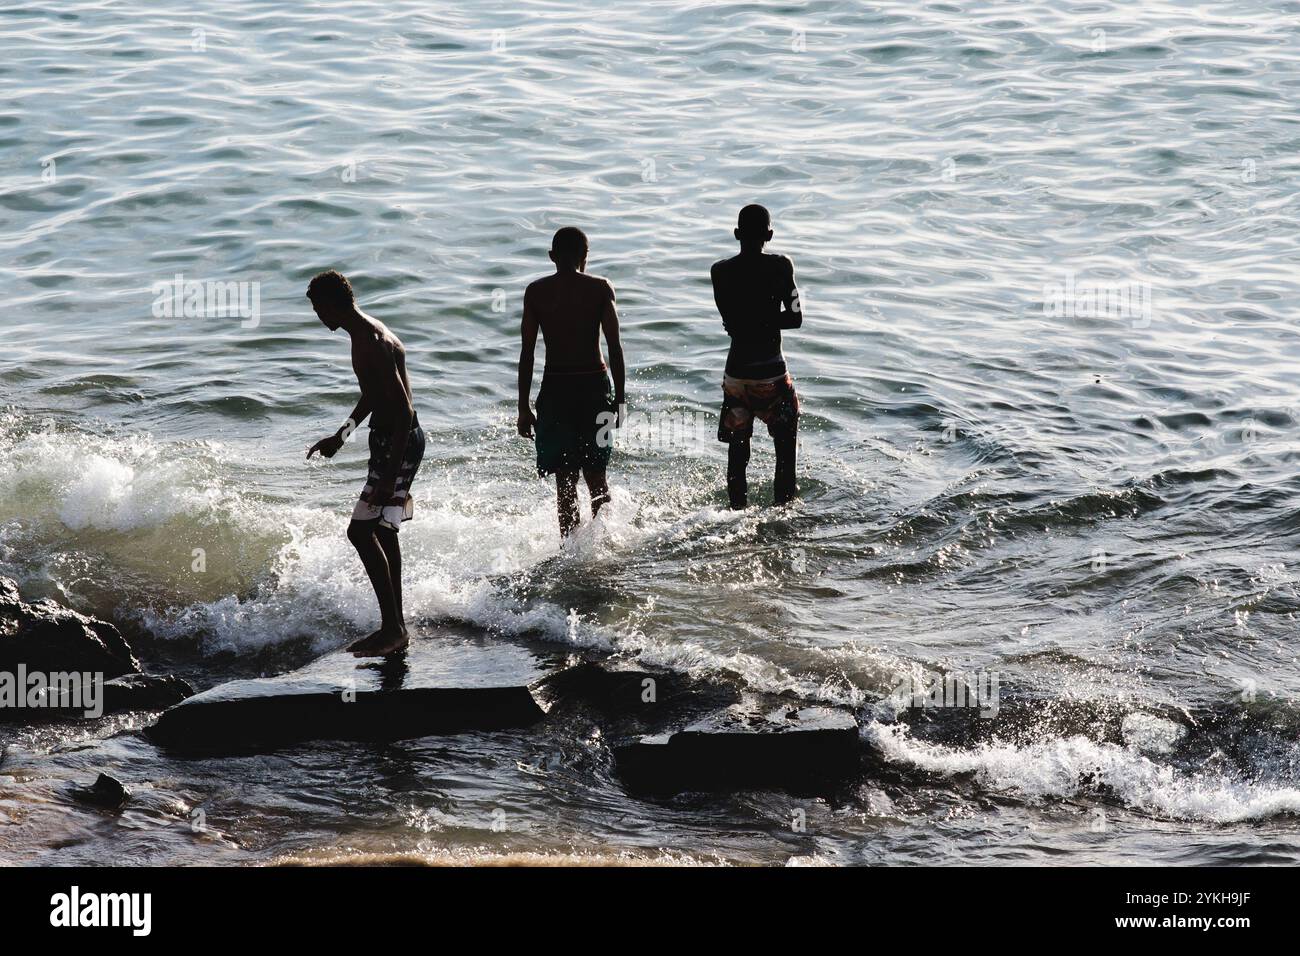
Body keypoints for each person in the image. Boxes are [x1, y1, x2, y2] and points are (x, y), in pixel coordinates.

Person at [305, 270, 425, 656]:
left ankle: (393, 628)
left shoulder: (371, 341)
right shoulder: (367, 331)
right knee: (384, 532)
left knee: (360, 532)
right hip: (392, 441)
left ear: (331, 304)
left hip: (399, 443)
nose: (317, 317)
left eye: (317, 308)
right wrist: (340, 437)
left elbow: (404, 412)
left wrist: (389, 476)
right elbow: (374, 395)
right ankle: (396, 628)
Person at [517, 227, 625, 537]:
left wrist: (523, 407)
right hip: (594, 388)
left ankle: (570, 553)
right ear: (585, 257)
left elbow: (527, 353)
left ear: (552, 256)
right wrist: (619, 400)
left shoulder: (536, 292)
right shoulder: (601, 288)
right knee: (597, 477)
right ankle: (603, 545)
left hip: (555, 391)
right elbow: (615, 349)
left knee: (564, 480)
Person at [710, 204, 802, 509]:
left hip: (736, 376)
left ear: (736, 234)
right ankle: (784, 524)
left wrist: (749, 320)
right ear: (770, 235)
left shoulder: (720, 271)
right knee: (785, 457)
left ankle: (736, 516)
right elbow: (796, 318)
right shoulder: (780, 266)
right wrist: (766, 318)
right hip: (772, 376)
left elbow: (730, 323)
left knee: (738, 458)